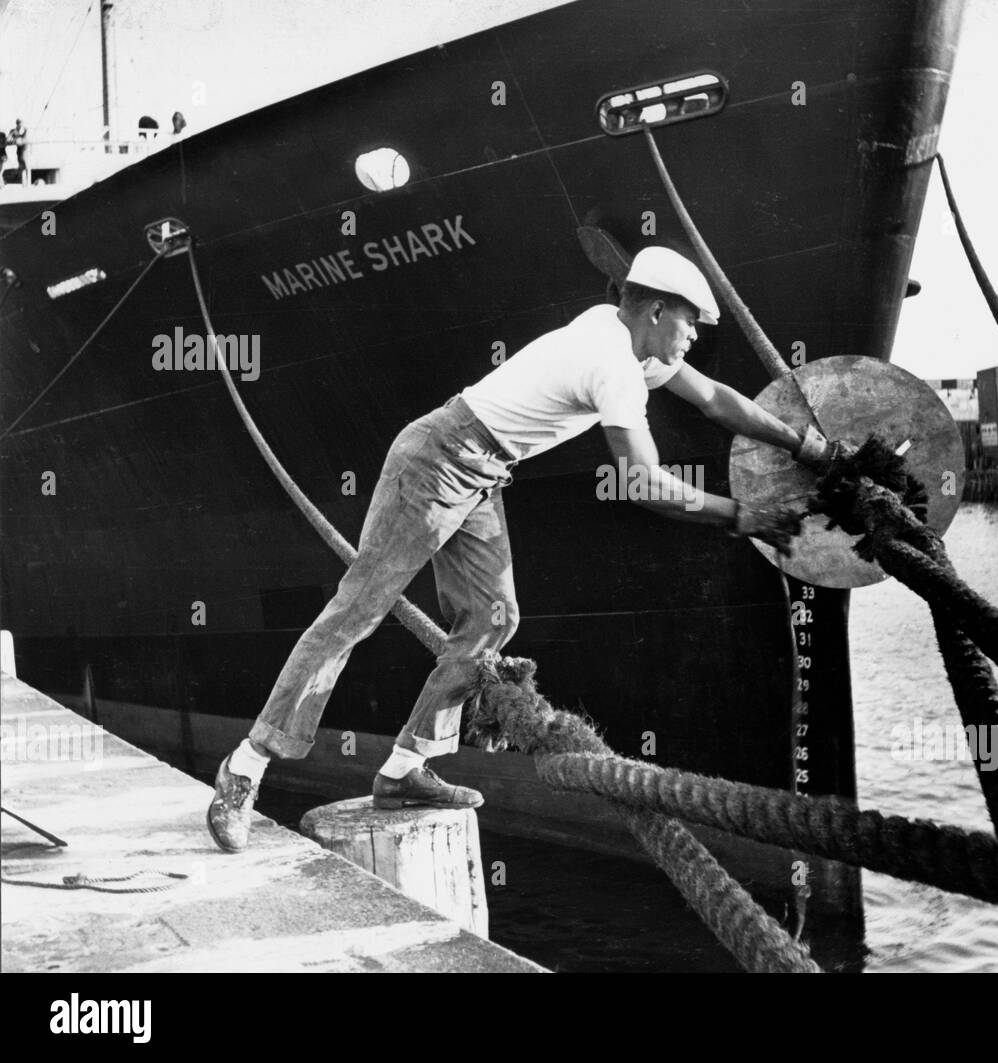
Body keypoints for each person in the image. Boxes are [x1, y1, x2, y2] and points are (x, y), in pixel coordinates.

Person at [206, 246, 842, 852]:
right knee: (358, 611)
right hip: (436, 460)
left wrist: (806, 446)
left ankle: (404, 769)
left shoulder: (617, 328)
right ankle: (245, 766)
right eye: (690, 321)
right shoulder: (614, 364)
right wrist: (742, 516)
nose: (695, 335)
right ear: (655, 311)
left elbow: (715, 400)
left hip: (483, 472)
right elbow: (643, 483)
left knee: (494, 617)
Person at [8, 119, 27, 185]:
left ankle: (25, 181)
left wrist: (21, 139)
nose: (20, 125)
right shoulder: (13, 131)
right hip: (19, 150)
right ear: (17, 124)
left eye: (21, 123)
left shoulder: (25, 130)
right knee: (21, 162)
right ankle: (23, 181)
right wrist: (15, 140)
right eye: (18, 123)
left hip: (25, 149)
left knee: (23, 163)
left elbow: (26, 138)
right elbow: (9, 139)